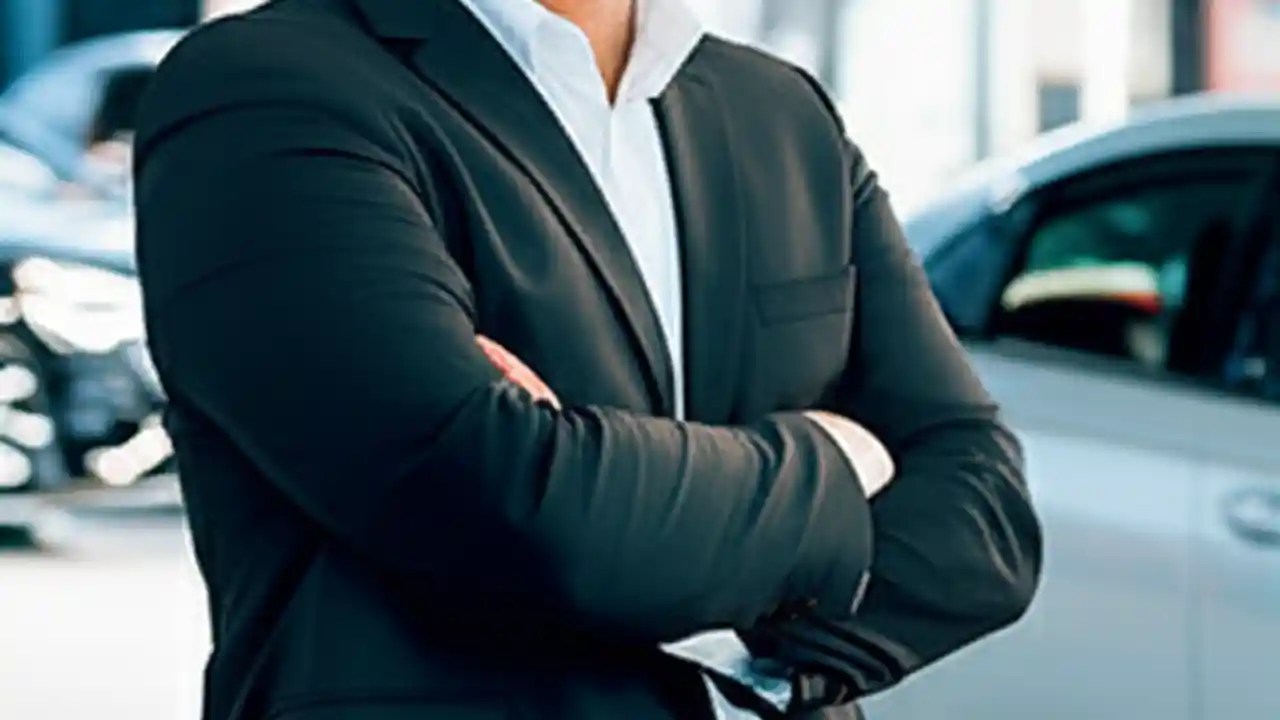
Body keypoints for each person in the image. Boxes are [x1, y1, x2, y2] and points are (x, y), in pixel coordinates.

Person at [132, 0, 1043, 718]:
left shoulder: (781, 113)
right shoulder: (268, 89)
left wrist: (702, 597)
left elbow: (985, 522)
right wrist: (840, 457)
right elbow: (517, 508)